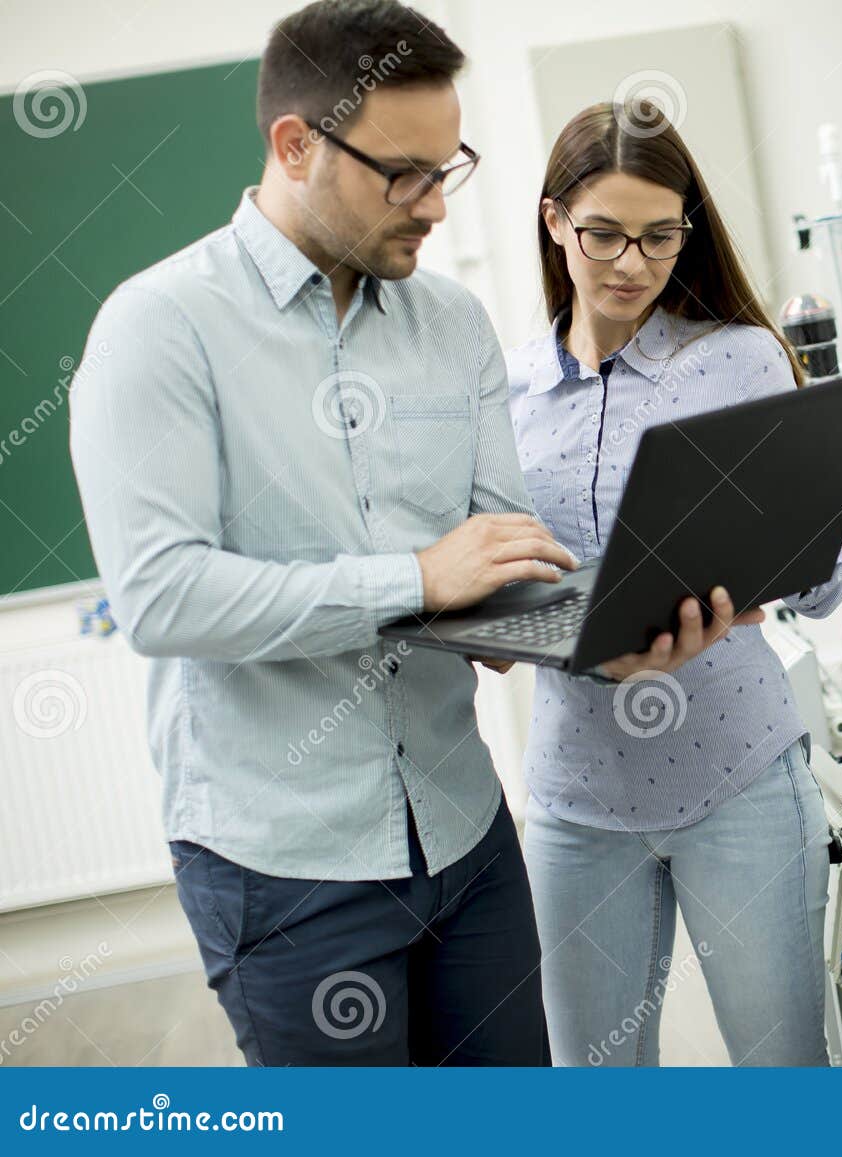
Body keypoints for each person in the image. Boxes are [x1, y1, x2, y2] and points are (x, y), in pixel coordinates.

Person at [68, 0, 594, 1066]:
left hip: (463, 829)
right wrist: (415, 578)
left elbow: (492, 556)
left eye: (447, 170)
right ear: (295, 144)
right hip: (283, 866)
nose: (434, 205)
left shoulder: (453, 323)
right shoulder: (158, 326)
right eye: (402, 175)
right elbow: (164, 597)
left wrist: (596, 623)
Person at [508, 100, 842, 1066]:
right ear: (554, 223)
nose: (632, 263)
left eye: (661, 236)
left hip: (738, 776)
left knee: (784, 1077)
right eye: (604, 234)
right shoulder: (506, 392)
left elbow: (825, 581)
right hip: (577, 801)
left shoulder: (737, 359)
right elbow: (494, 582)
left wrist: (787, 541)